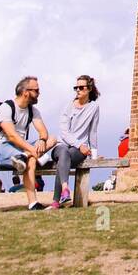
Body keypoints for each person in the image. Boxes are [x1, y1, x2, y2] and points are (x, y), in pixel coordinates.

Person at [0, 76, 57, 210]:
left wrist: (42, 140)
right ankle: (27, 157)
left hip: (21, 147)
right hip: (0, 148)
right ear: (25, 92)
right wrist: (33, 150)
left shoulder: (32, 110)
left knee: (52, 139)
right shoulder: (6, 108)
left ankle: (33, 203)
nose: (39, 93)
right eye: (36, 90)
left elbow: (43, 131)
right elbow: (12, 136)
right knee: (31, 156)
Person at [48, 75, 100, 210]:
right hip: (62, 145)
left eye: (81, 87)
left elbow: (92, 132)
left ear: (89, 89)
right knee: (64, 152)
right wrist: (79, 145)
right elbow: (64, 133)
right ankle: (65, 189)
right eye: (75, 87)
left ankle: (56, 202)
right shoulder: (68, 106)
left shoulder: (94, 107)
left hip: (78, 150)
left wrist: (93, 155)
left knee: (65, 158)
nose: (78, 90)